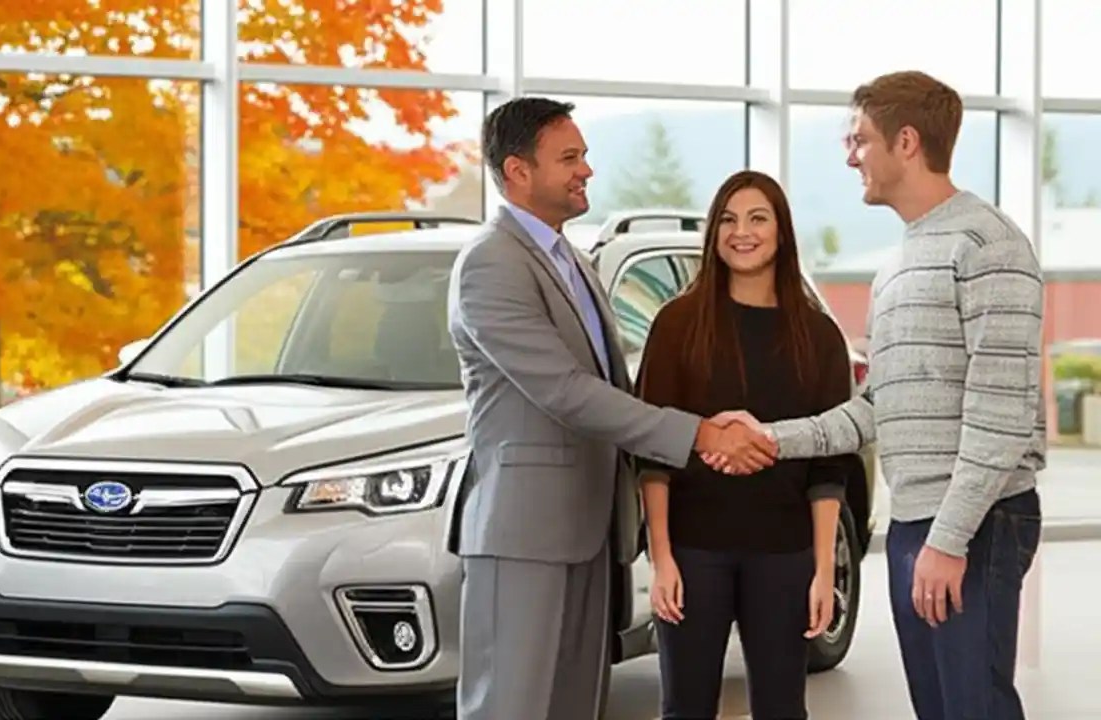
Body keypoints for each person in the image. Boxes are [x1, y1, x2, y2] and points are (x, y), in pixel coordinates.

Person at [706, 71, 1046, 720]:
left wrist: (948, 540)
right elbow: (873, 408)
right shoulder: (897, 264)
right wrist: (769, 436)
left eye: (859, 139)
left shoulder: (988, 245)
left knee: (974, 708)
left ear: (906, 142)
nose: (849, 155)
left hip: (976, 522)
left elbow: (1000, 416)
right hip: (917, 520)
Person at [446, 96, 777, 720]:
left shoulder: (572, 260)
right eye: (569, 158)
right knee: (510, 707)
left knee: (576, 705)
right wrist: (701, 434)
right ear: (518, 171)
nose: (586, 170)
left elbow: (611, 386)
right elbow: (566, 391)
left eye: (584, 155)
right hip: (523, 535)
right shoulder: (491, 263)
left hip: (590, 529)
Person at [636, 169, 861, 720]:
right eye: (728, 220)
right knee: (685, 708)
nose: (742, 232)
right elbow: (651, 453)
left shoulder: (819, 336)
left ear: (781, 232)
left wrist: (823, 571)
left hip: (784, 553)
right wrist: (662, 559)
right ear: (713, 233)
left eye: (758, 218)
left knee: (783, 709)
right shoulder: (676, 324)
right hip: (693, 551)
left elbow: (828, 469)